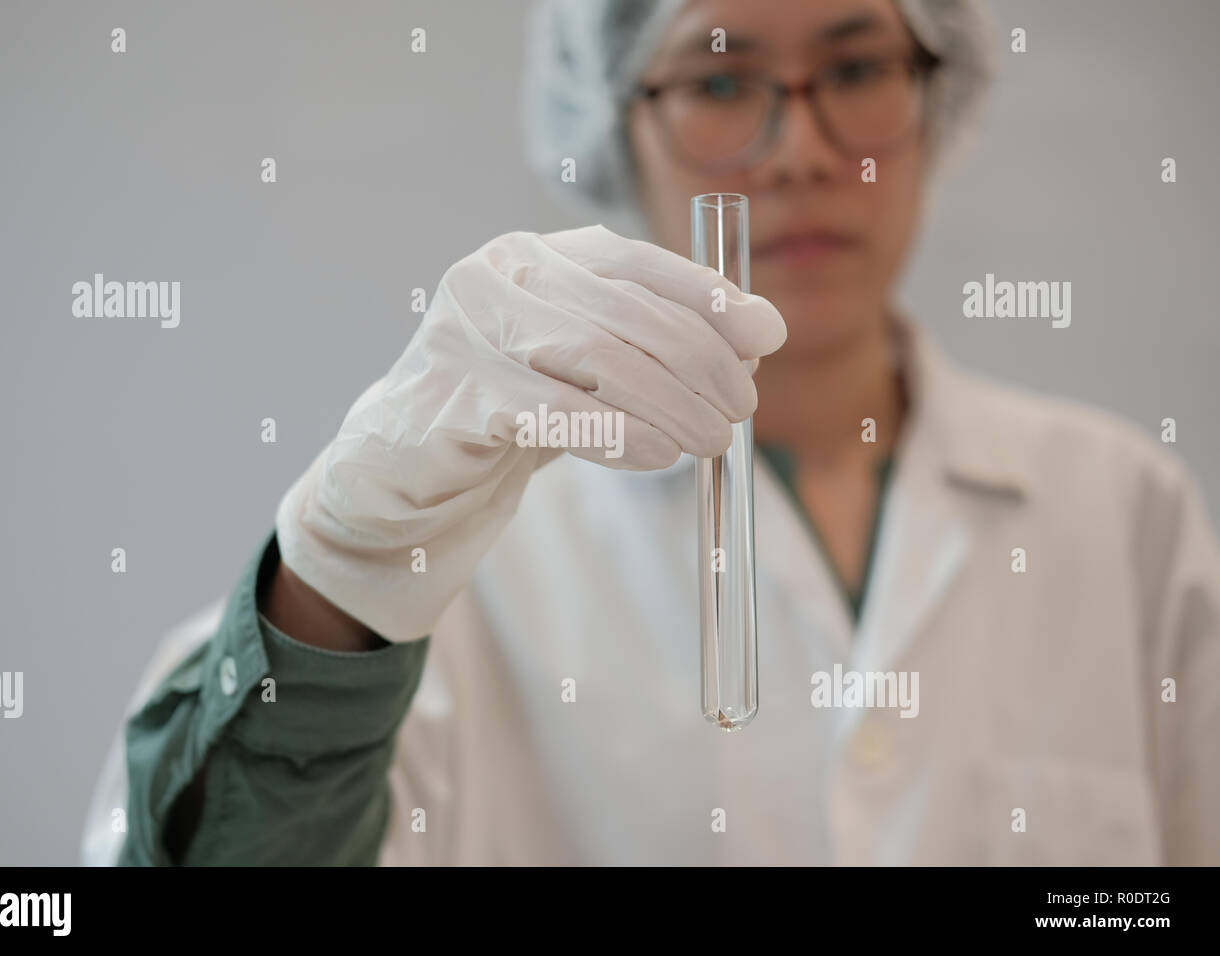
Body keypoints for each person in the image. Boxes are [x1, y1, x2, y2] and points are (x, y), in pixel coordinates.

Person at [83, 0, 1220, 865]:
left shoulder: (1123, 511)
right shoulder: (464, 530)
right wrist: (336, 584)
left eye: (856, 67)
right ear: (614, 122)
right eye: (719, 79)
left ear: (937, 92)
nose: (799, 149)